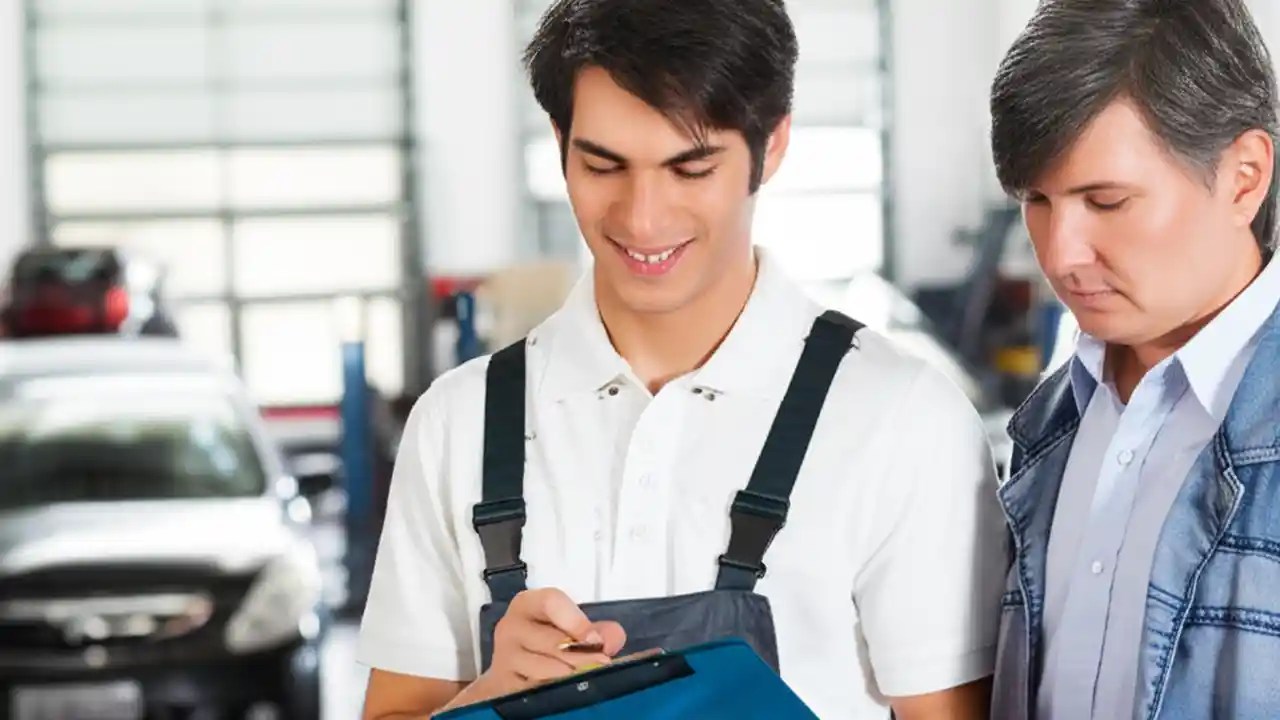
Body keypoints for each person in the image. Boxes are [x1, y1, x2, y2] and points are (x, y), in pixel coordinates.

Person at [357, 1, 1005, 717]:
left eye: (690, 167)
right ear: (559, 143)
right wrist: (489, 695)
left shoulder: (904, 419)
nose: (643, 218)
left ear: (774, 145)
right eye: (603, 165)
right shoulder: (459, 422)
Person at [988, 0, 1280, 717]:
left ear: (1244, 177)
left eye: (1107, 201)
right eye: (1038, 201)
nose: (1060, 255)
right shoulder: (1047, 427)